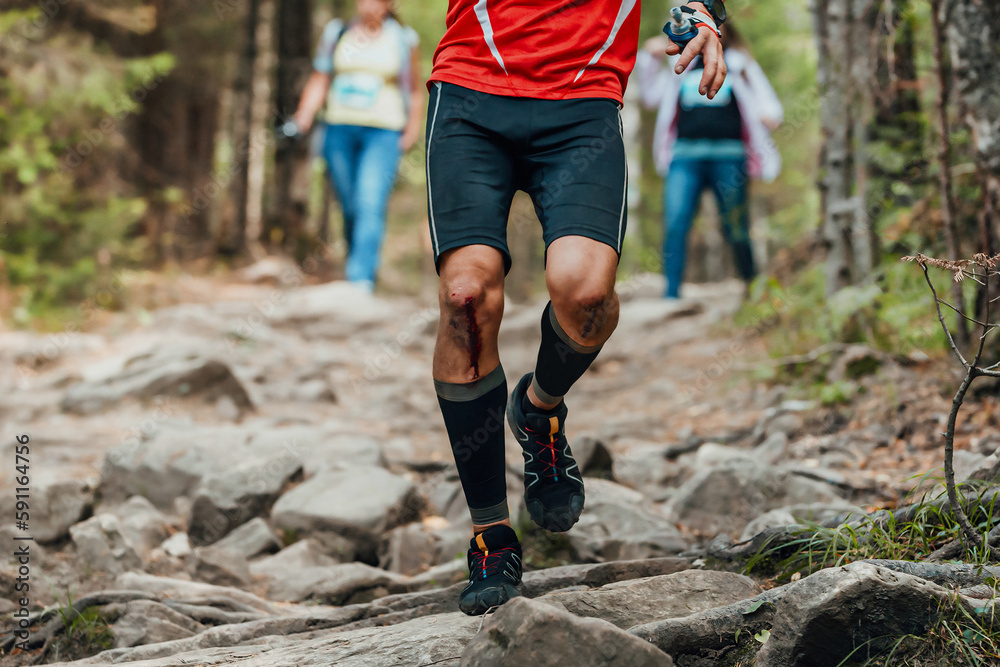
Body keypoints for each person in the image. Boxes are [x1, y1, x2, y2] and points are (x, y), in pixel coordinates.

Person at [426, 0, 728, 615]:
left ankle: (538, 412)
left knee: (586, 291)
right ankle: (491, 535)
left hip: (583, 97)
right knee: (465, 300)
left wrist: (704, 17)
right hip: (471, 92)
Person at [637, 22, 783, 300]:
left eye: (715, 25)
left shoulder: (740, 64)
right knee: (676, 223)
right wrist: (650, 59)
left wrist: (769, 116)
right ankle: (671, 295)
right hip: (684, 157)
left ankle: (753, 289)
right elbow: (650, 98)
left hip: (730, 157)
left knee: (736, 226)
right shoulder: (679, 63)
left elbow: (770, 105)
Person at [293, 0, 423, 292]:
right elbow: (321, 76)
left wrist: (413, 128)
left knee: (370, 201)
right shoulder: (337, 32)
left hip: (384, 132)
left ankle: (360, 279)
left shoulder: (403, 38)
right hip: (338, 129)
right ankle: (358, 263)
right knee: (350, 205)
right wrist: (303, 115)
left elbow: (413, 88)